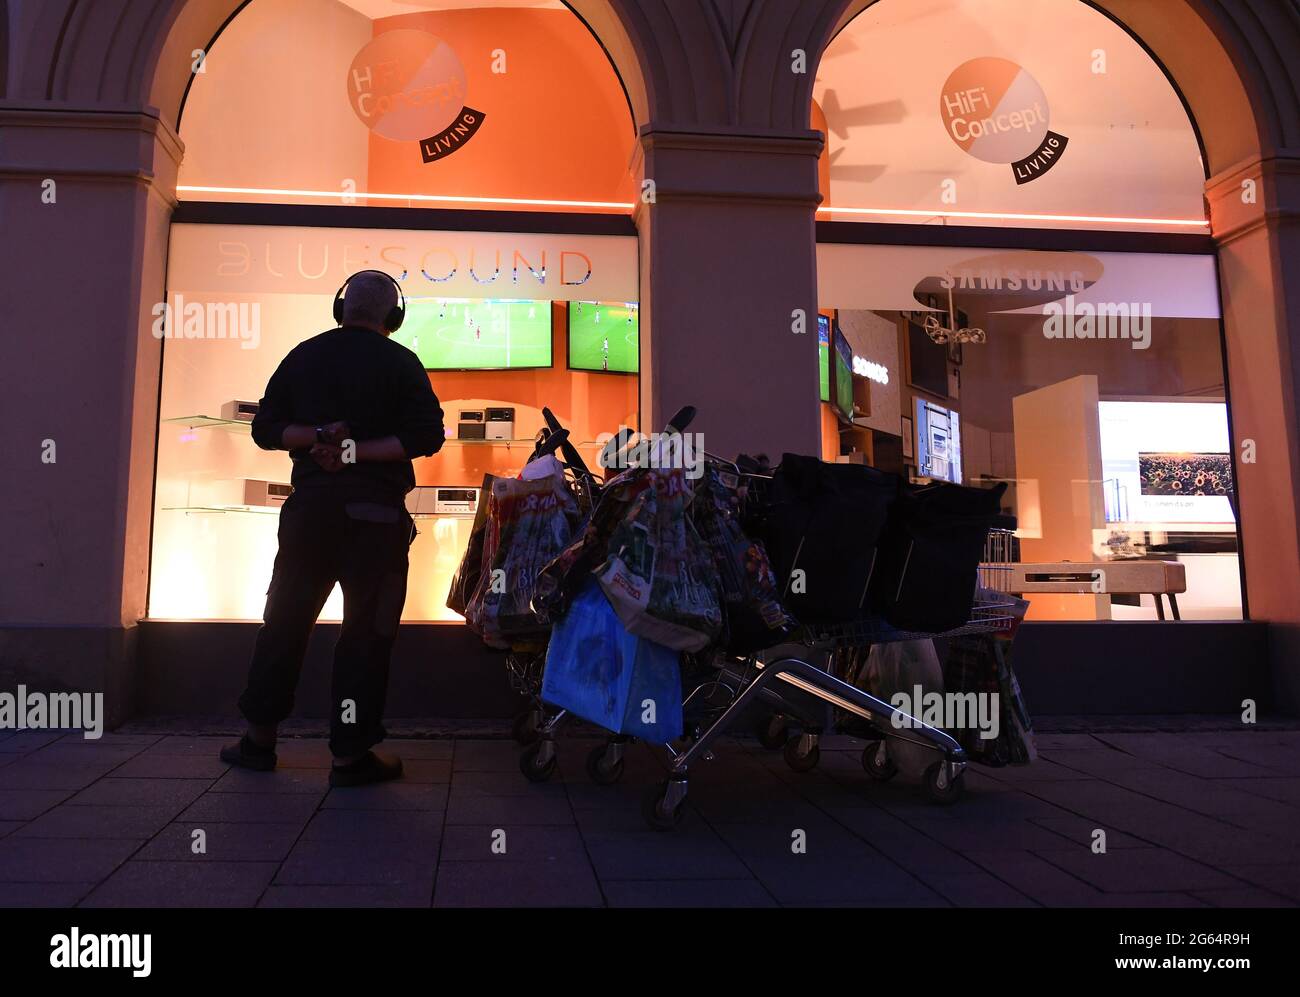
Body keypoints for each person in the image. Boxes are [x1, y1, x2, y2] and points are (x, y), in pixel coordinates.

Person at [220, 271, 445, 786]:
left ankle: (258, 741)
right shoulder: (401, 362)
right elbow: (427, 436)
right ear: (394, 316)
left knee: (284, 624)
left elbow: (265, 430)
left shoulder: (305, 354)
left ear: (340, 307)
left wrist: (324, 438)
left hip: (311, 518)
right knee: (365, 638)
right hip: (377, 522)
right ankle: (348, 756)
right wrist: (358, 452)